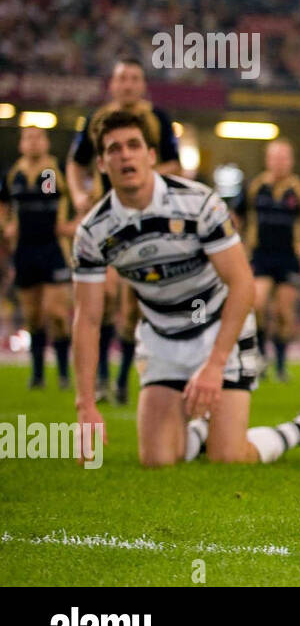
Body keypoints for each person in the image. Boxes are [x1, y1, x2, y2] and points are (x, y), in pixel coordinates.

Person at [70, 108, 300, 467]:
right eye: (114, 149)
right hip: (162, 336)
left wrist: (214, 364)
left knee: (230, 456)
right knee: (158, 461)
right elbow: (87, 318)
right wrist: (85, 402)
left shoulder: (198, 203)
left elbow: (241, 285)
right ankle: (201, 432)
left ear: (150, 156)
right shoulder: (92, 232)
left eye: (133, 145)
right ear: (101, 163)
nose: (125, 154)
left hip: (220, 328)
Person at [67, 57, 181, 405]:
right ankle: (100, 378)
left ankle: (120, 380)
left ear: (143, 84)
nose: (128, 85)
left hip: (149, 219)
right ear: (112, 85)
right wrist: (78, 195)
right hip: (109, 221)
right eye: (122, 79)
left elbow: (175, 163)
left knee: (132, 308)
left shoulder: (158, 118)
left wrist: (140, 176)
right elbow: (75, 161)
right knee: (102, 300)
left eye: (134, 78)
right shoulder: (96, 119)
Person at [235, 140, 300, 382]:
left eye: (284, 157)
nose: (279, 162)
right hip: (260, 255)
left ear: (291, 160)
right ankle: (259, 359)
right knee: (256, 304)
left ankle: (280, 366)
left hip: (288, 258)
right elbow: (233, 216)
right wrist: (233, 243)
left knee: (283, 313)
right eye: (275, 157)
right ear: (267, 160)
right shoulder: (254, 187)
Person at [0, 127, 75, 389]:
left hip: (54, 248)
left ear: (46, 142)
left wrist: (71, 226)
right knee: (32, 315)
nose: (33, 143)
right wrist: (6, 225)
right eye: (28, 138)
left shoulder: (58, 171)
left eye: (38, 137)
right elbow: (4, 205)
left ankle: (64, 372)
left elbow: (82, 202)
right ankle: (38, 374)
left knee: (55, 312)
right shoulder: (13, 174)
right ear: (21, 144)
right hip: (25, 250)